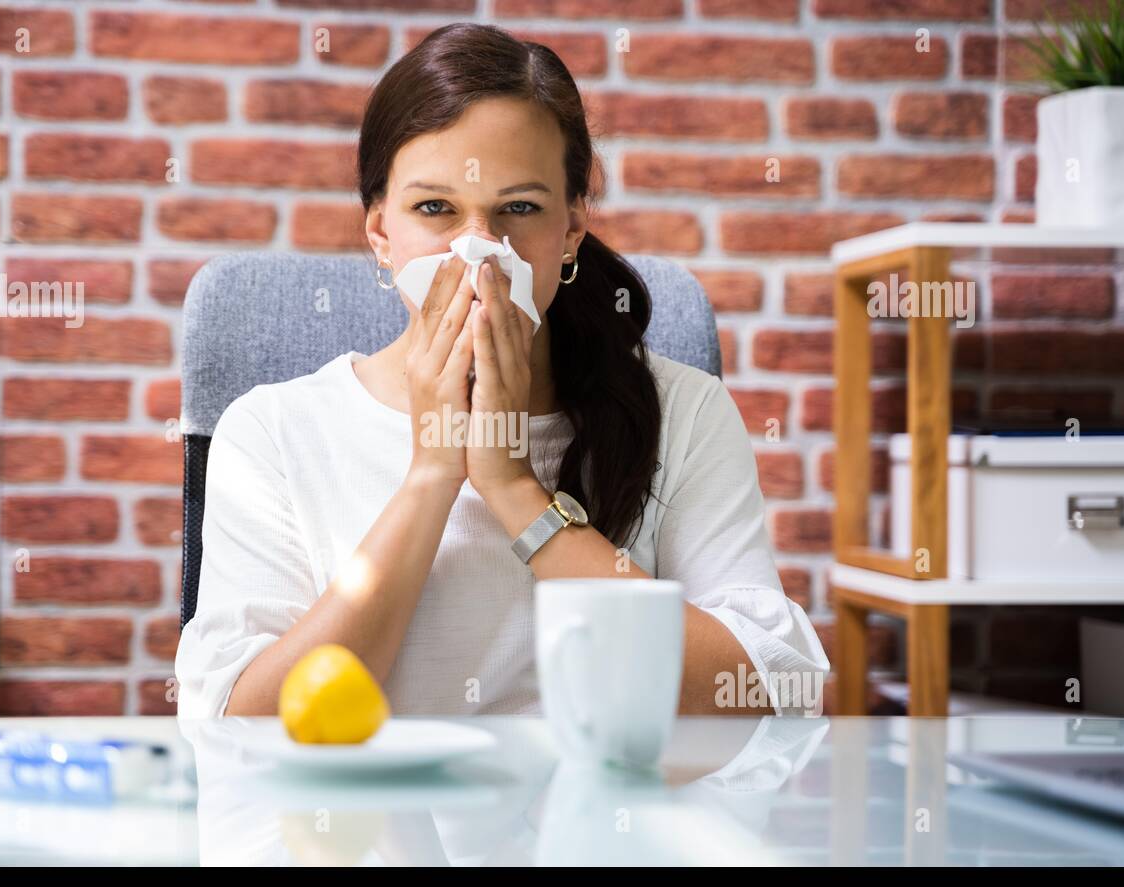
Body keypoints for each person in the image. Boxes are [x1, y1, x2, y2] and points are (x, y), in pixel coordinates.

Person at [175, 22, 829, 719]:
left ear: (572, 229)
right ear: (380, 234)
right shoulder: (273, 431)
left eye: (519, 209)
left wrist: (516, 489)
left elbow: (776, 690)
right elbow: (232, 725)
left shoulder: (683, 412)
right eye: (435, 208)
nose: (479, 250)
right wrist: (433, 474)